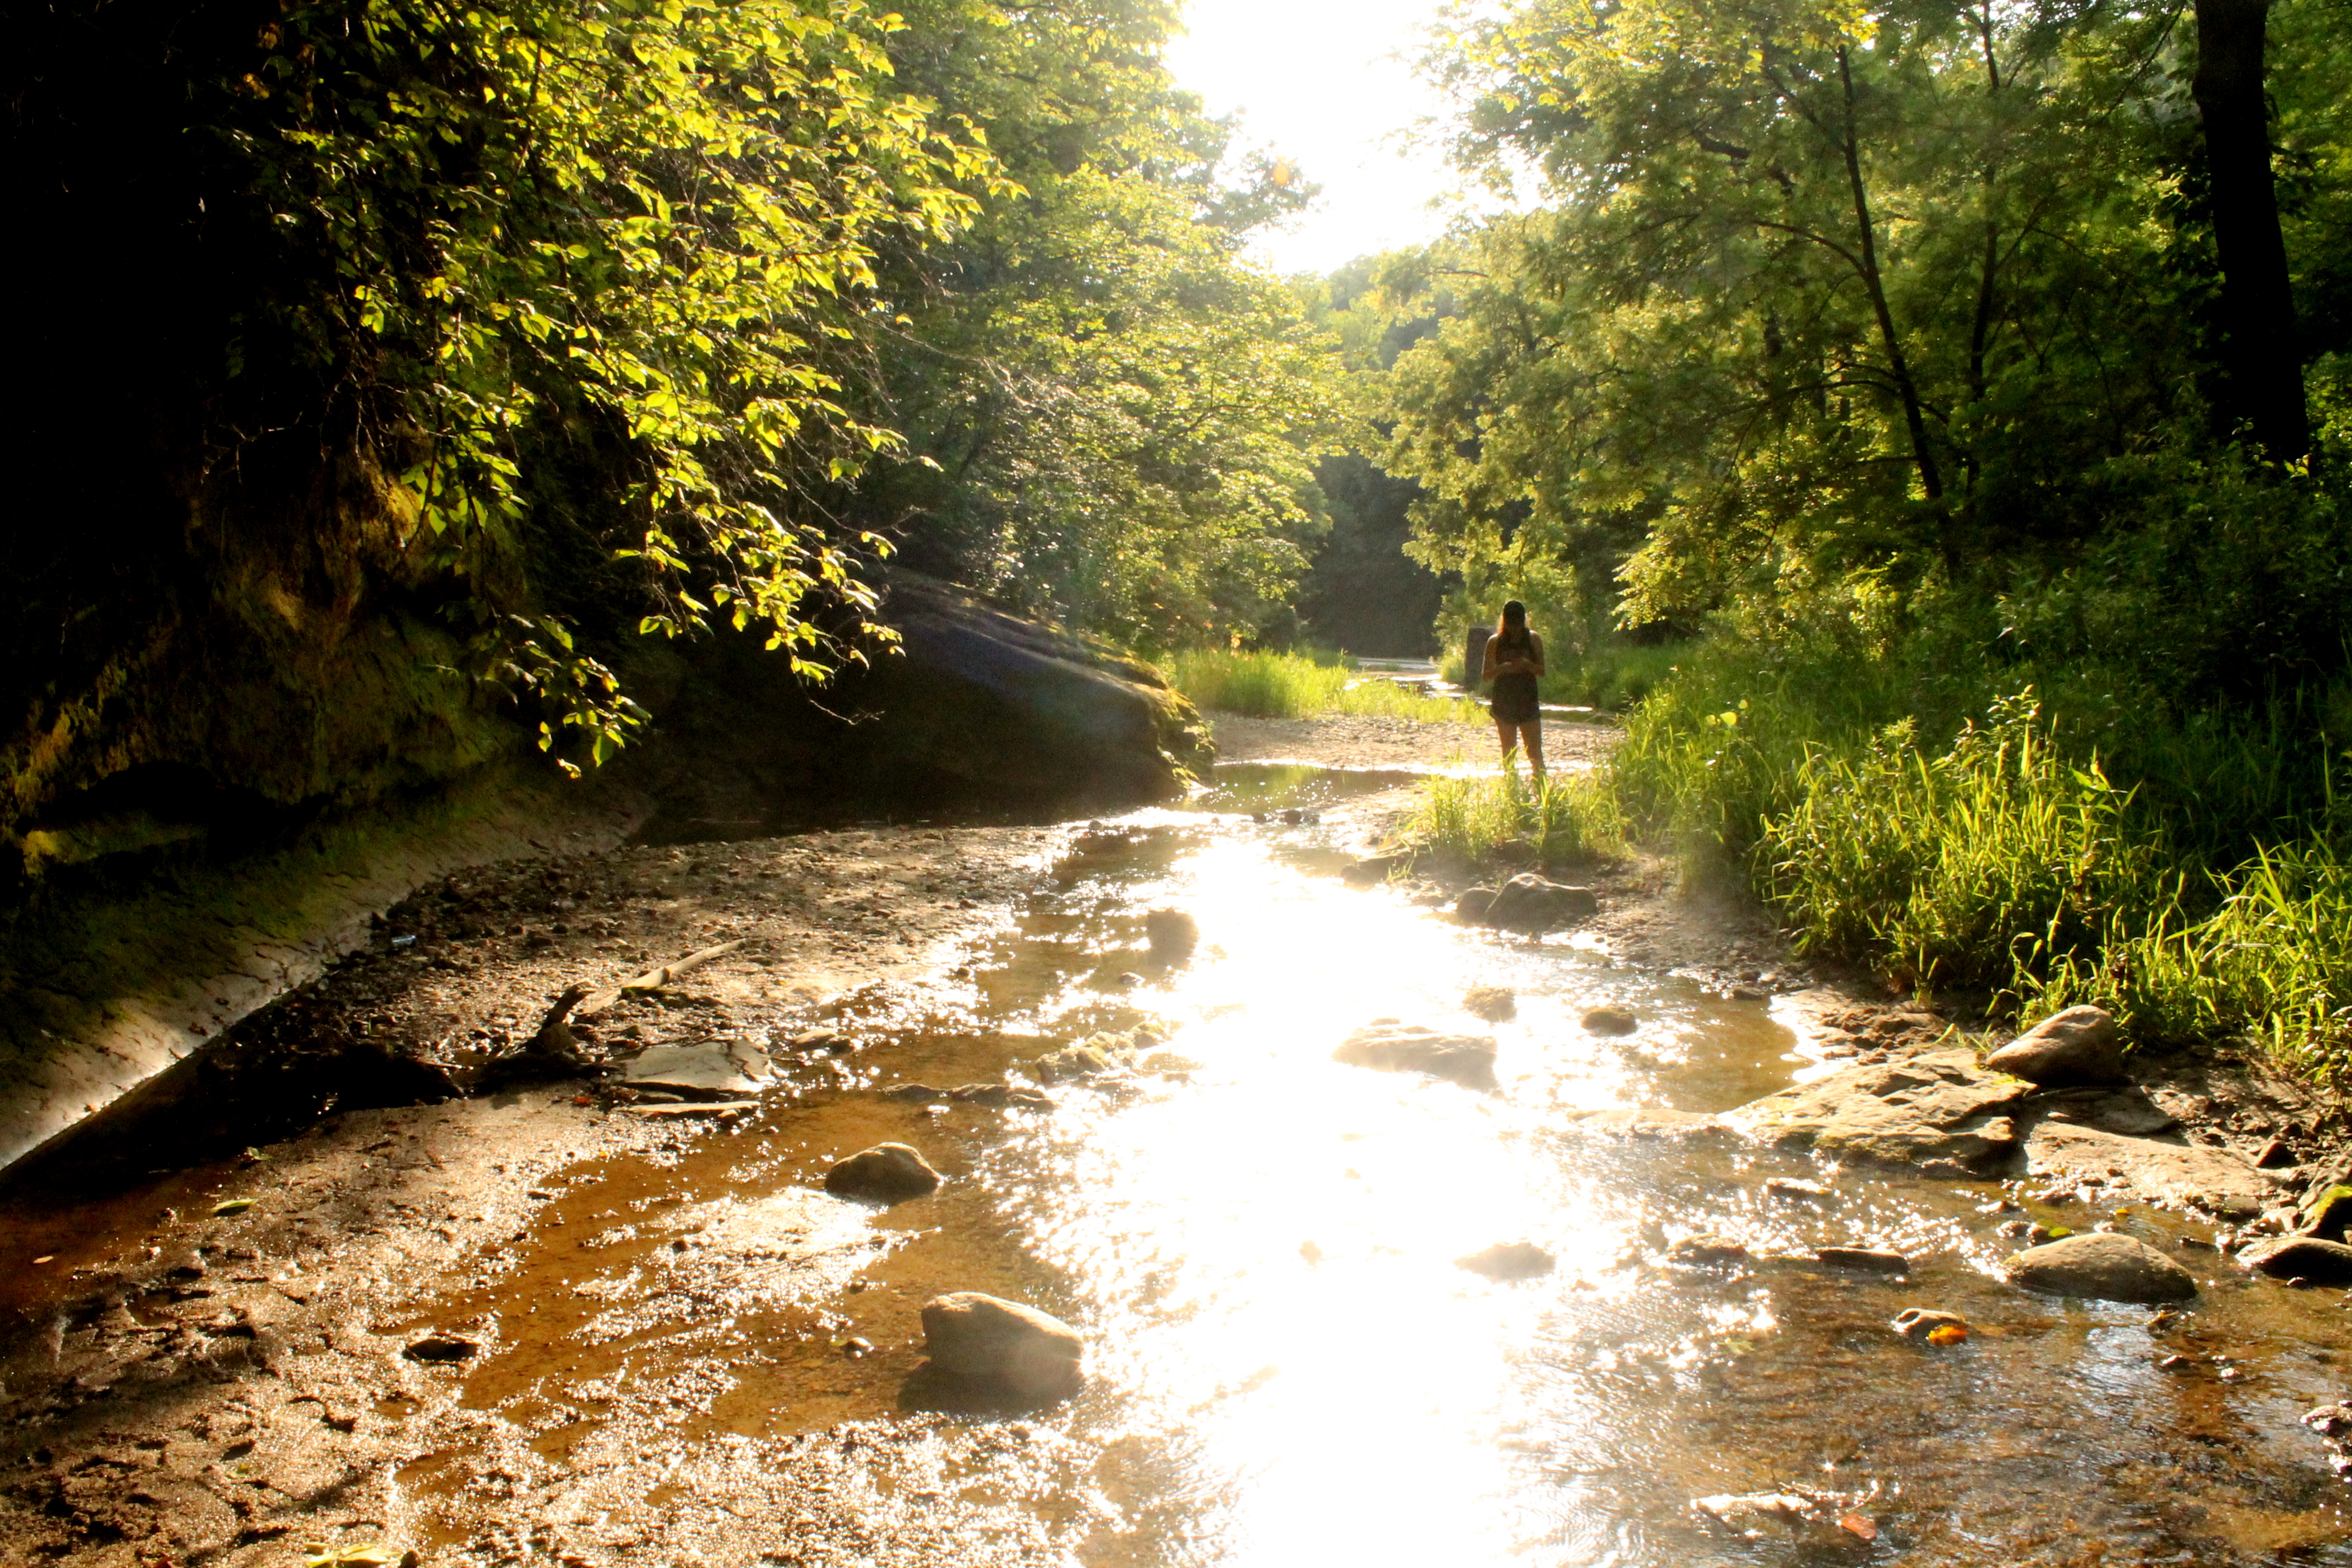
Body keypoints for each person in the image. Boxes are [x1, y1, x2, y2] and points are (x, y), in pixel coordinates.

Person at [1481, 600, 1546, 781]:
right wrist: (1503, 669)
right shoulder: (1494, 642)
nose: (1515, 629)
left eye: (1518, 625)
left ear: (1524, 620)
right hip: (1504, 704)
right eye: (1511, 625)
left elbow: (1542, 671)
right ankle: (1512, 794)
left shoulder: (1534, 639)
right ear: (1505, 621)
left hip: (1528, 703)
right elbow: (1486, 675)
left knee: (1535, 754)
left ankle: (1543, 792)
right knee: (1509, 754)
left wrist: (1528, 665)